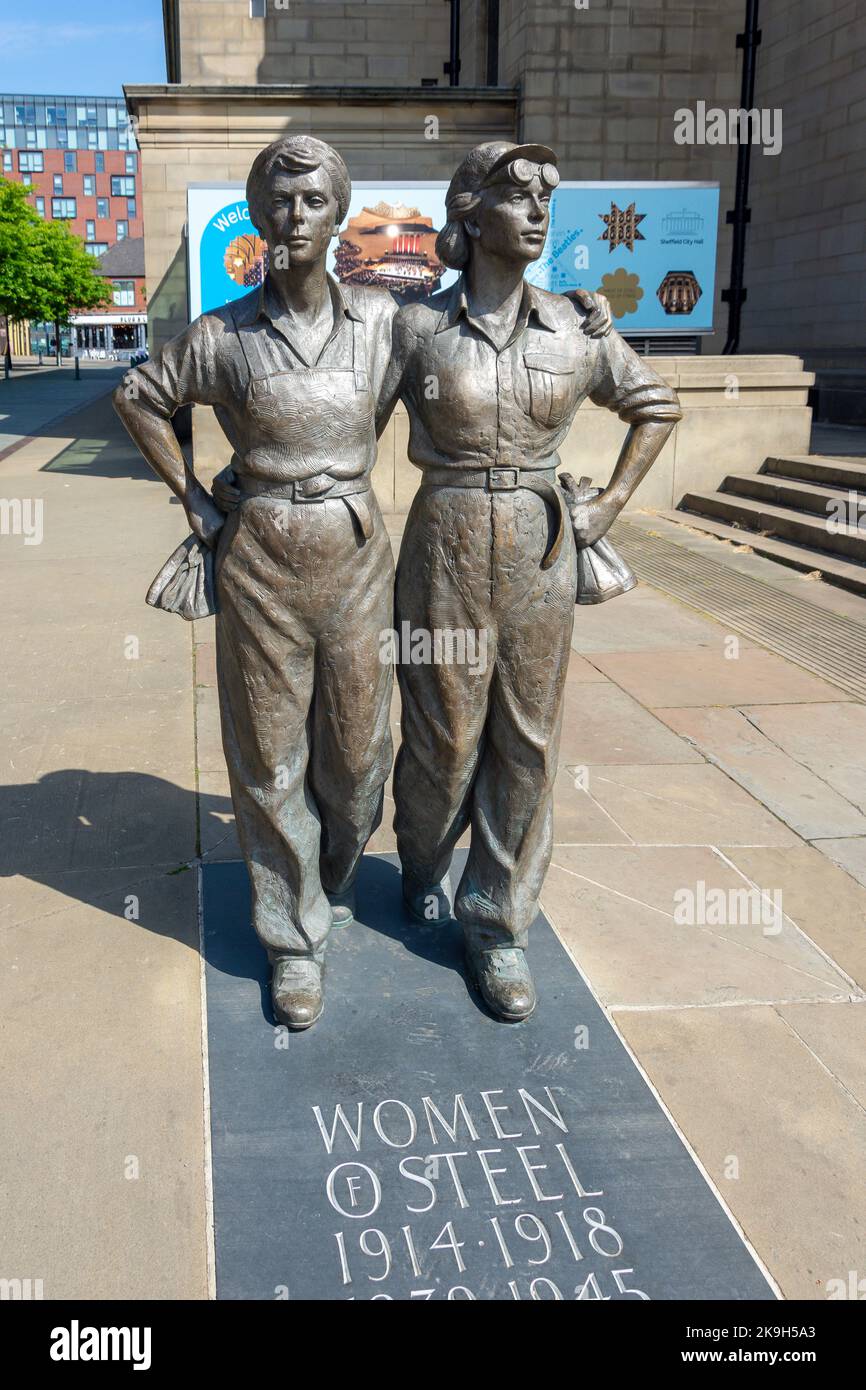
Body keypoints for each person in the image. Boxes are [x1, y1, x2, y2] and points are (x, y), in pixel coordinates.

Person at [376, 142, 682, 1023]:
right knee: (442, 737)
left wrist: (609, 506)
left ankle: (497, 923)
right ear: (470, 215)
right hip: (445, 541)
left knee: (528, 741)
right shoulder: (415, 329)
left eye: (549, 195)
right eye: (518, 195)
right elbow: (348, 421)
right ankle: (422, 861)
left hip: (543, 552)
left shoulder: (579, 327)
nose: (540, 209)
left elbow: (654, 406)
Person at [114, 136, 400, 1030]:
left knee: (358, 756)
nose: (294, 217)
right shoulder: (223, 335)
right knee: (271, 754)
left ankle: (332, 876)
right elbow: (139, 398)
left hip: (355, 555)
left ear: (338, 213)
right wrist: (198, 504)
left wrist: (579, 313)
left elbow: (476, 327)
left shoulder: (385, 321)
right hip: (260, 559)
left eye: (313, 201)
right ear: (257, 217)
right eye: (277, 203)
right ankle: (292, 937)